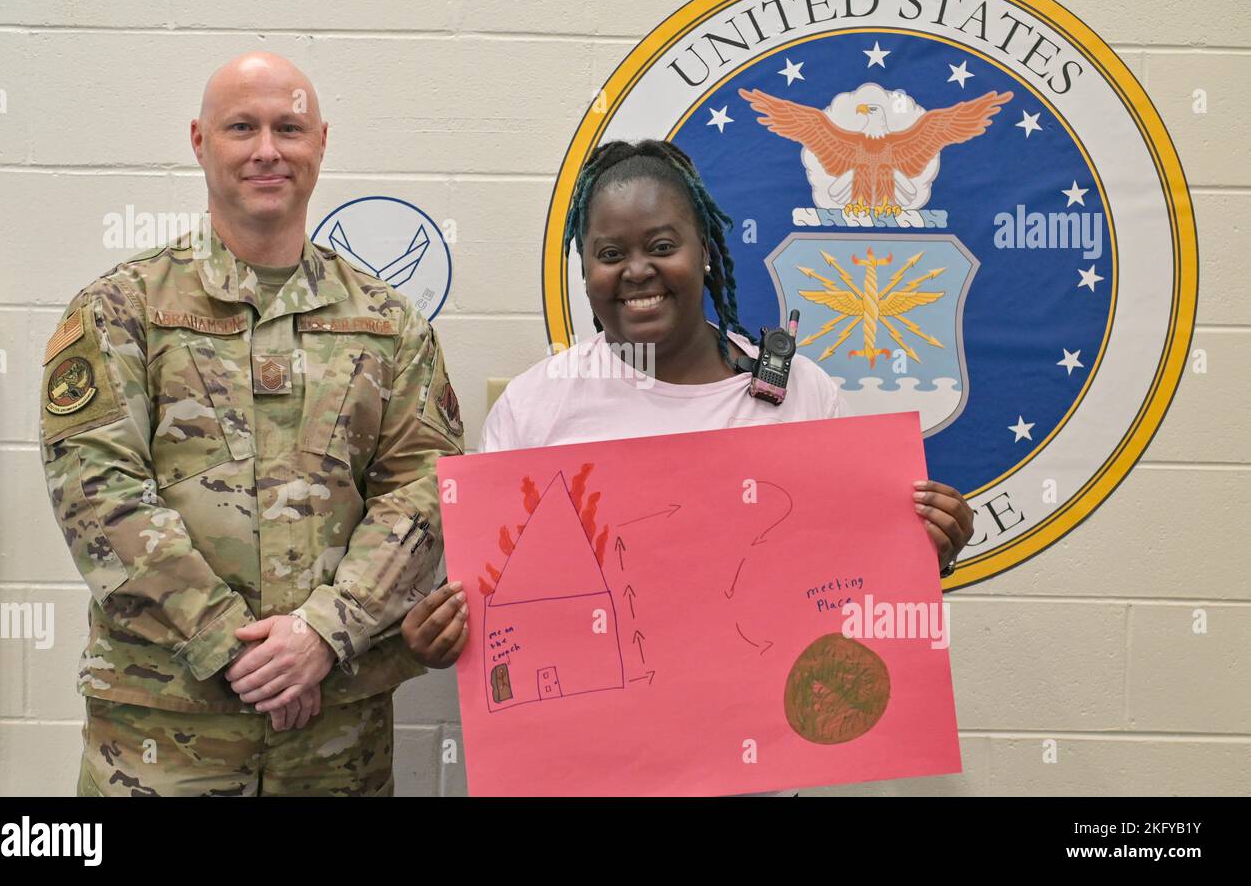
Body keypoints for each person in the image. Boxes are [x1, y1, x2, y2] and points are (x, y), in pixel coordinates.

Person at [40, 52, 464, 796]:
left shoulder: (391, 328)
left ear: (321, 142)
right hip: (161, 747)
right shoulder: (120, 311)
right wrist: (231, 647)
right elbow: (98, 495)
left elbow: (424, 491)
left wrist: (324, 632)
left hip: (336, 747)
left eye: (289, 127)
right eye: (243, 127)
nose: (268, 149)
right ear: (201, 141)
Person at [403, 138, 973, 676]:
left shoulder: (802, 392)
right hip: (594, 763)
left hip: (764, 754)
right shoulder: (534, 405)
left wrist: (924, 551)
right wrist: (446, 637)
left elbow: (848, 574)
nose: (636, 271)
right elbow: (496, 603)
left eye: (661, 246)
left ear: (704, 251)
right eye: (608, 254)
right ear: (584, 270)